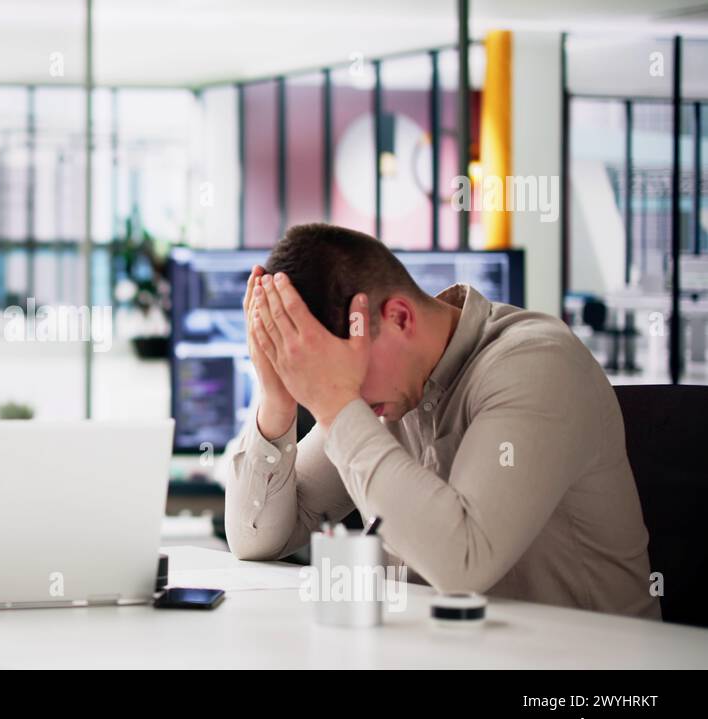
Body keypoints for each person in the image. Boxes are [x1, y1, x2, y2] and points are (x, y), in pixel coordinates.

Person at [224, 222, 659, 619]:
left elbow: (462, 564)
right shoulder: (384, 392)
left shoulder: (539, 365)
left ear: (398, 318)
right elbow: (258, 539)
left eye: (340, 370)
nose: (341, 389)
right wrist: (277, 399)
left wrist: (335, 402)